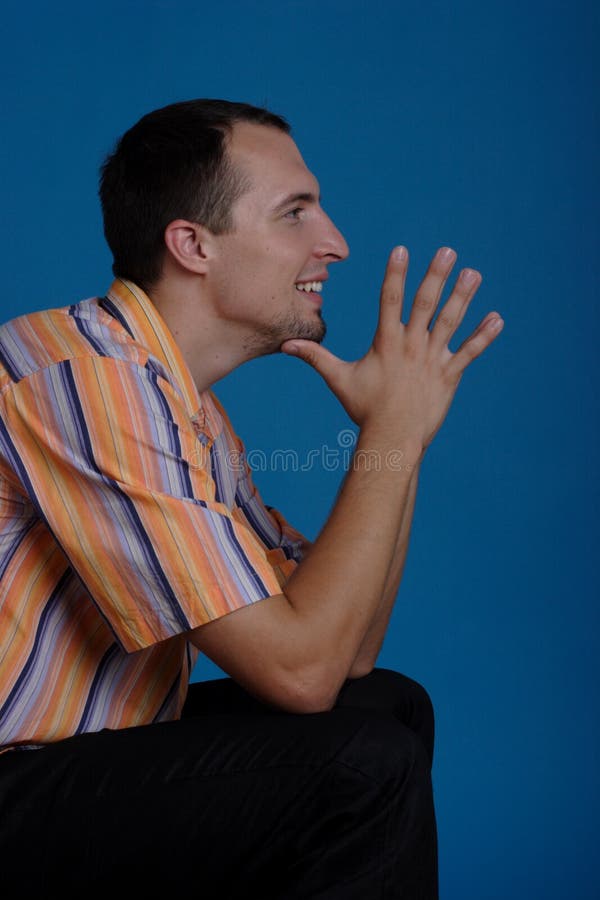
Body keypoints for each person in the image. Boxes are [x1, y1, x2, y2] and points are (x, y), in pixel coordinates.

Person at [0, 99, 503, 898]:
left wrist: (398, 438)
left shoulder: (184, 406)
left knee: (386, 707)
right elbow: (299, 671)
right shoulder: (87, 381)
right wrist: (391, 433)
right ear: (193, 245)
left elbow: (343, 653)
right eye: (294, 212)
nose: (334, 242)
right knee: (359, 766)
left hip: (80, 769)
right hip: (15, 790)